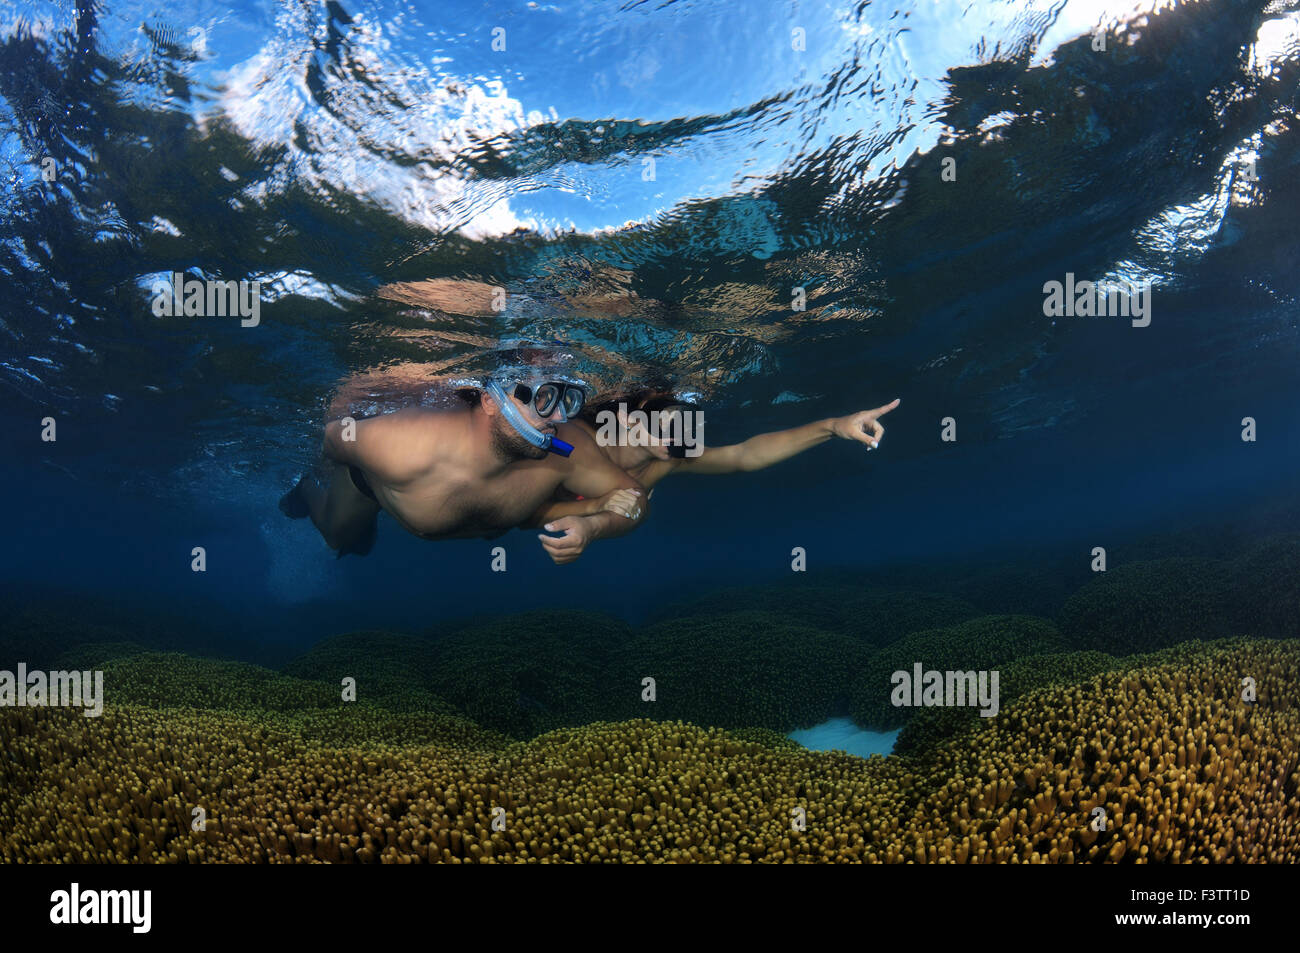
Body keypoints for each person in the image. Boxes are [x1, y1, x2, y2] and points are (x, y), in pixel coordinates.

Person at [279, 375, 646, 565]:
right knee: (338, 538)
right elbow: (329, 440)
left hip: (475, 520)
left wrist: (593, 528)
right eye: (542, 399)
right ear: (490, 400)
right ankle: (306, 493)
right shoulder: (402, 446)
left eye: (567, 400)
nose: (559, 419)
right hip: (369, 486)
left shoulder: (569, 451)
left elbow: (635, 499)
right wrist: (319, 470)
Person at [531, 391, 901, 522]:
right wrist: (590, 512)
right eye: (660, 411)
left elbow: (743, 455)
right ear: (627, 418)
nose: (675, 425)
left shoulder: (668, 457)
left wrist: (834, 426)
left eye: (680, 415)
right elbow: (523, 510)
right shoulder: (574, 444)